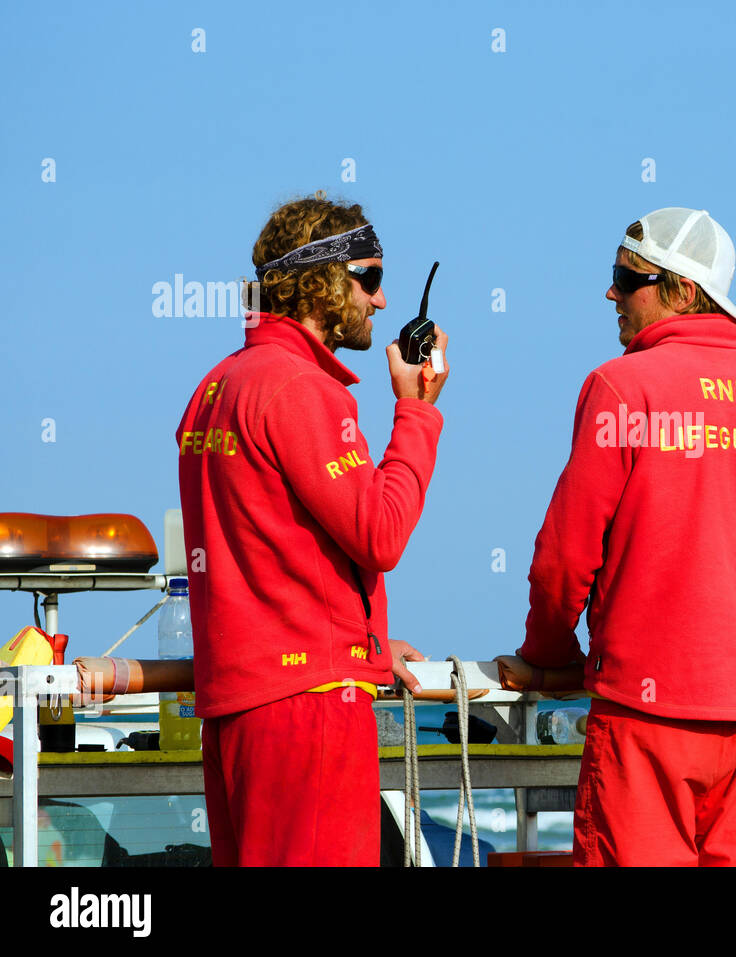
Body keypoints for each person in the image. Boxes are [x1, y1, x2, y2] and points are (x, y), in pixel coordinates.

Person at [504, 207, 736, 866]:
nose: (610, 293)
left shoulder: (622, 387)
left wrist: (550, 653)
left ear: (682, 288)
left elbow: (565, 557)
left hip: (642, 720)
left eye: (627, 278)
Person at [176, 194, 450, 866]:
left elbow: (275, 553)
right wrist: (415, 413)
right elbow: (380, 535)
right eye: (371, 279)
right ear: (324, 283)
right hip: (310, 711)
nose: (382, 302)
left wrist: (371, 644)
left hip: (237, 707)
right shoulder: (302, 389)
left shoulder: (214, 389)